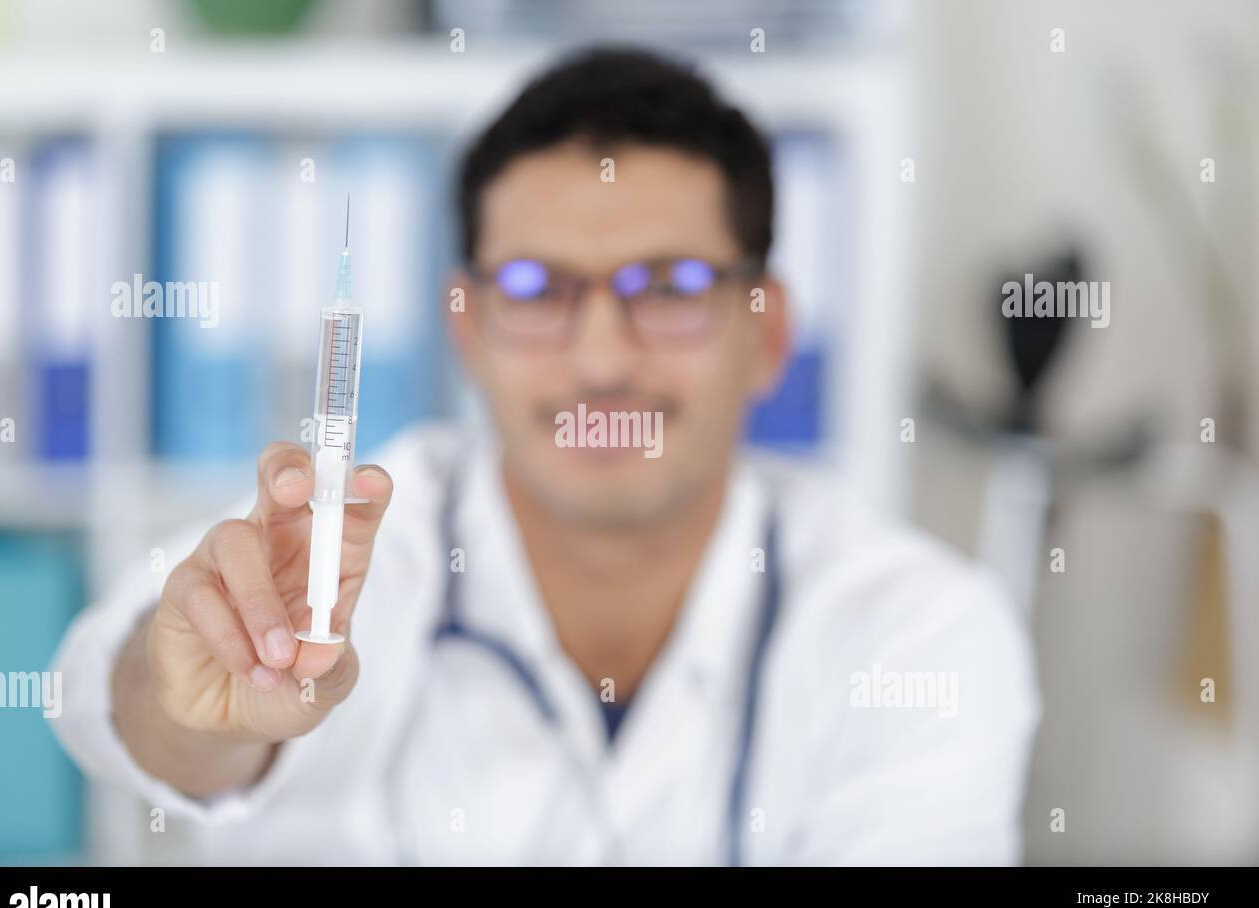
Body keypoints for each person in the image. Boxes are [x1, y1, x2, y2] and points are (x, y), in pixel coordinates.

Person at [51, 46, 1040, 865]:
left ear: (767, 330)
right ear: (466, 329)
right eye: (534, 288)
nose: (602, 357)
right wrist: (196, 708)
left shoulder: (915, 632)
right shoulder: (341, 564)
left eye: (671, 284)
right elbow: (112, 700)